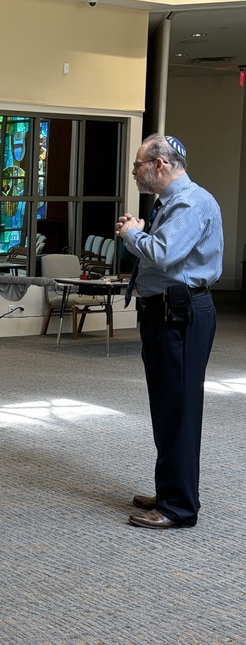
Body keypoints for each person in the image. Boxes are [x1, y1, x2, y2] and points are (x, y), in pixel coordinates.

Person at [116, 134, 222, 530]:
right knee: (167, 407)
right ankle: (170, 491)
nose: (134, 171)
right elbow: (163, 253)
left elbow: (163, 253)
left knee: (179, 410)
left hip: (181, 316)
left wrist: (132, 233)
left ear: (160, 164)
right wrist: (141, 231)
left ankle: (178, 509)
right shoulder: (171, 203)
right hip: (165, 314)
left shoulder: (191, 202)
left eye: (138, 164)